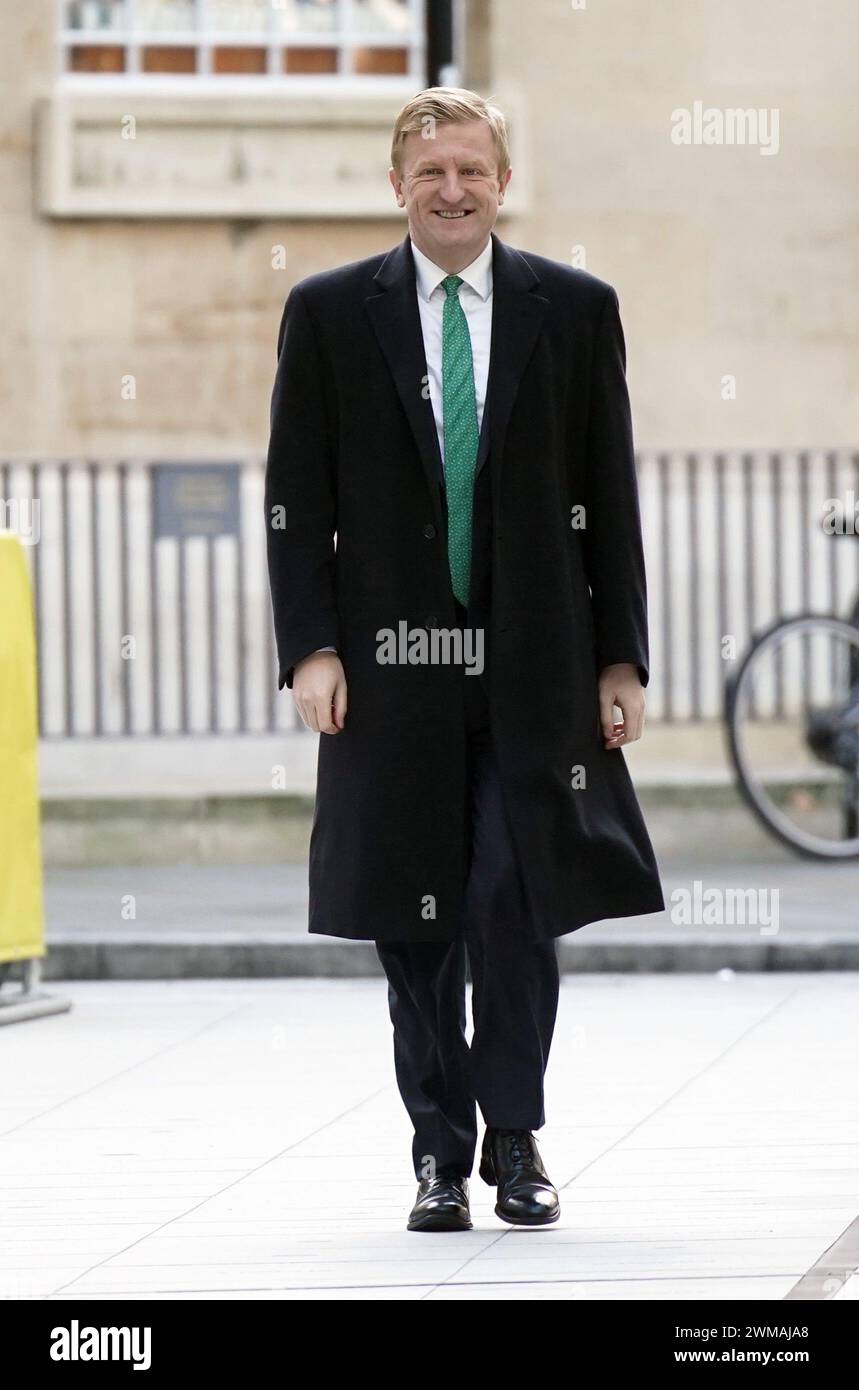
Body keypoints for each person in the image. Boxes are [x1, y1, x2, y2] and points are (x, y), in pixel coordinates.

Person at [265, 86, 664, 1232]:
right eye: (431, 171)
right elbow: (296, 496)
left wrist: (621, 658)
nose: (452, 190)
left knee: (512, 892)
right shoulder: (329, 312)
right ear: (397, 184)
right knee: (415, 918)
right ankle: (437, 1154)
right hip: (389, 669)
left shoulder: (572, 309)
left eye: (472, 170)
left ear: (503, 182)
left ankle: (516, 1135)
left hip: (534, 665)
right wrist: (311, 648)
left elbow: (609, 493)